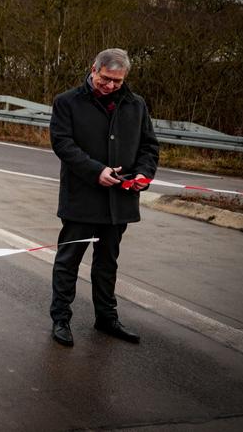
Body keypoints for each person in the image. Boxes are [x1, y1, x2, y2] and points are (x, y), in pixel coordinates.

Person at [48, 48, 159, 347]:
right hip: (81, 198)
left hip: (118, 202)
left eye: (117, 81)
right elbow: (63, 144)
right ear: (93, 69)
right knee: (68, 261)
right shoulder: (67, 102)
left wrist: (143, 176)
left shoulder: (136, 105)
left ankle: (107, 318)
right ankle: (61, 319)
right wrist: (96, 171)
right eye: (106, 79)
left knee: (108, 262)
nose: (110, 86)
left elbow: (150, 147)